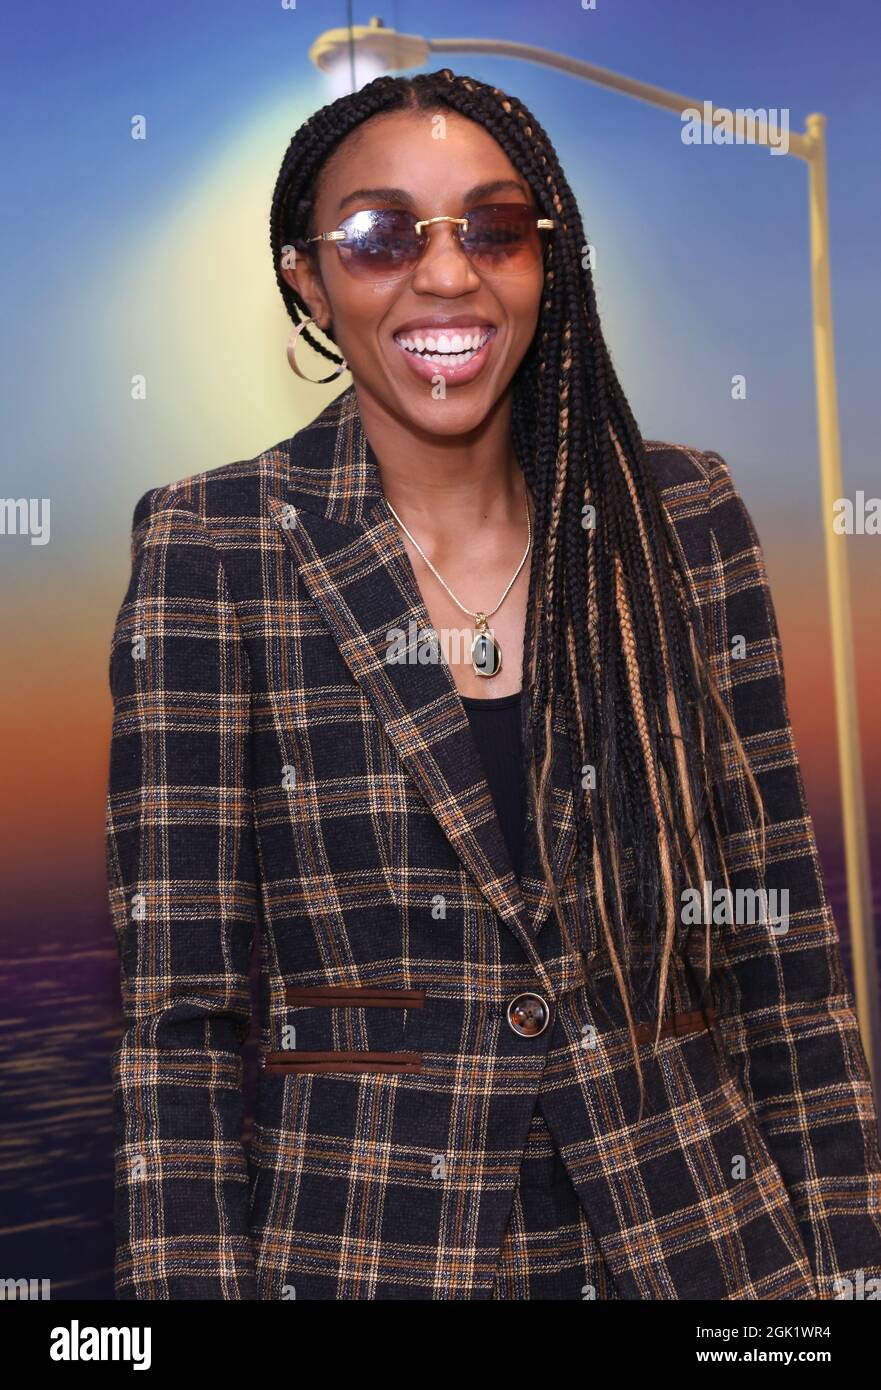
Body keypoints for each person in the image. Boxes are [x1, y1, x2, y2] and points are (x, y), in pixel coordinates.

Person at [106, 68, 881, 1300]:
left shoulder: (679, 517)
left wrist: (850, 1283)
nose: (447, 273)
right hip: (366, 1253)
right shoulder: (215, 544)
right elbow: (183, 1016)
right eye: (375, 235)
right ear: (303, 278)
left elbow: (777, 950)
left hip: (710, 1255)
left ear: (544, 258)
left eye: (492, 228)